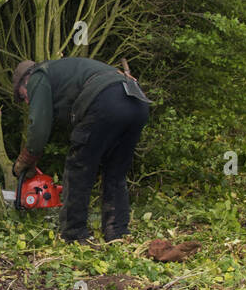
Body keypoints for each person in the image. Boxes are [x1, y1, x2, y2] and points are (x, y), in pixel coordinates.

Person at [12, 56, 150, 243]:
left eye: (22, 96)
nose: (27, 101)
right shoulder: (68, 72)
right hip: (136, 102)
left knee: (79, 167)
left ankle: (74, 233)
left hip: (106, 100)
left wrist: (28, 157)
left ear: (25, 80)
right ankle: (117, 232)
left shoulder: (38, 76)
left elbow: (39, 127)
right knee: (116, 171)